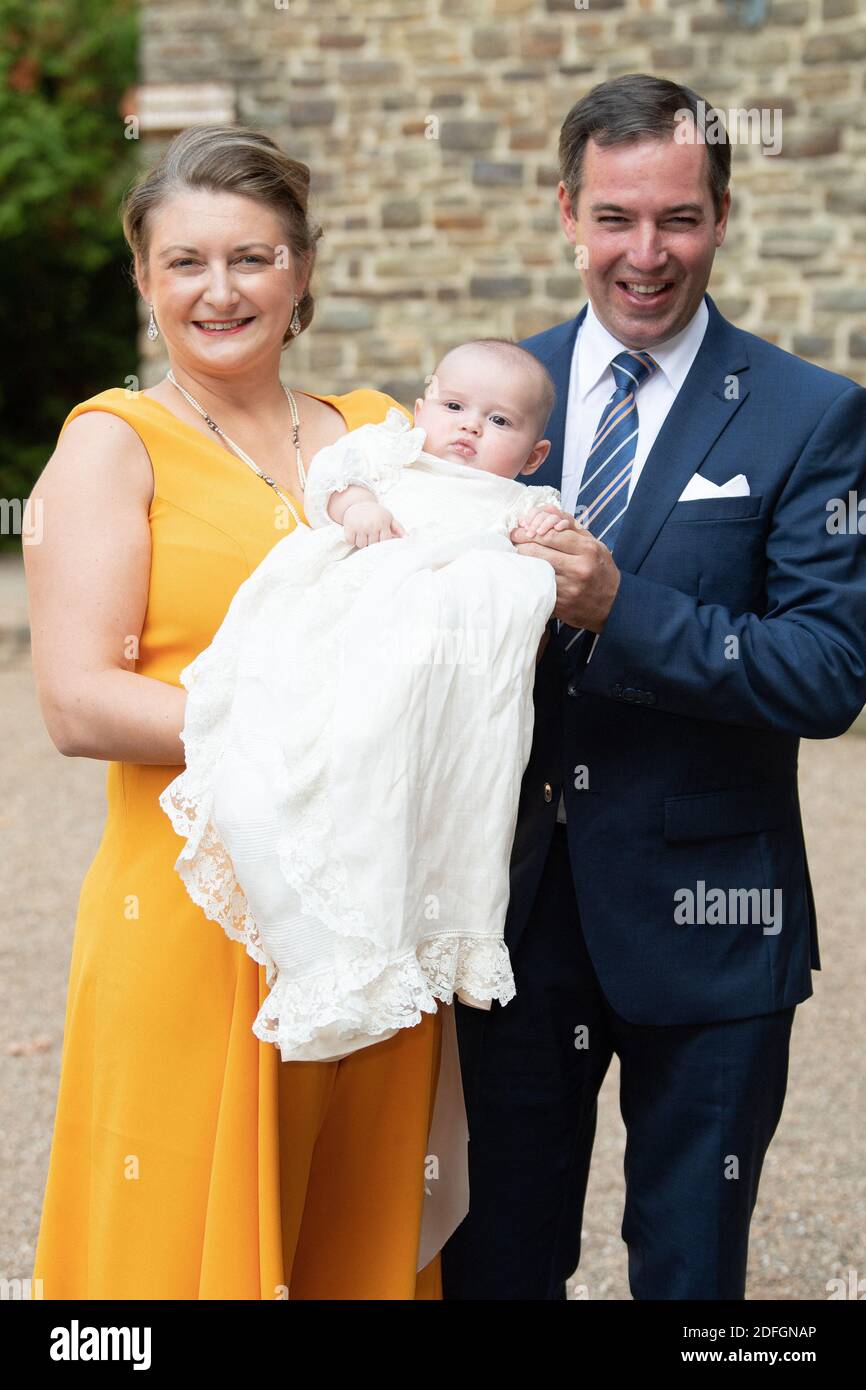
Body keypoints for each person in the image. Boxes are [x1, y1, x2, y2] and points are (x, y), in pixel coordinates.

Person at [441, 73, 866, 1300]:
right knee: (495, 1265)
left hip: (713, 916)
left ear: (720, 216)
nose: (644, 254)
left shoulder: (811, 416)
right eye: (615, 218)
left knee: (688, 1277)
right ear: (564, 213)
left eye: (676, 218)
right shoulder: (485, 400)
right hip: (505, 914)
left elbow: (827, 673)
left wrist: (622, 608)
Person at [27, 123, 454, 1299]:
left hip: (370, 916)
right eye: (186, 263)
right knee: (175, 1248)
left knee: (352, 1227)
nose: (221, 291)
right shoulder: (114, 448)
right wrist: (313, 741)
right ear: (145, 280)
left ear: (302, 270)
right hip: (189, 910)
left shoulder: (373, 433)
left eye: (253, 258)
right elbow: (75, 700)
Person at [158, 340, 566, 1064]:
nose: (469, 428)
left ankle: (384, 955)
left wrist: (540, 538)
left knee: (387, 799)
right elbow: (331, 480)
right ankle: (316, 965)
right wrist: (360, 507)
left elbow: (557, 554)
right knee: (270, 786)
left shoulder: (523, 502)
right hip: (348, 635)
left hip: (434, 675)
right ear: (420, 411)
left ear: (533, 455)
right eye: (454, 407)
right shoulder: (387, 456)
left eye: (499, 422)